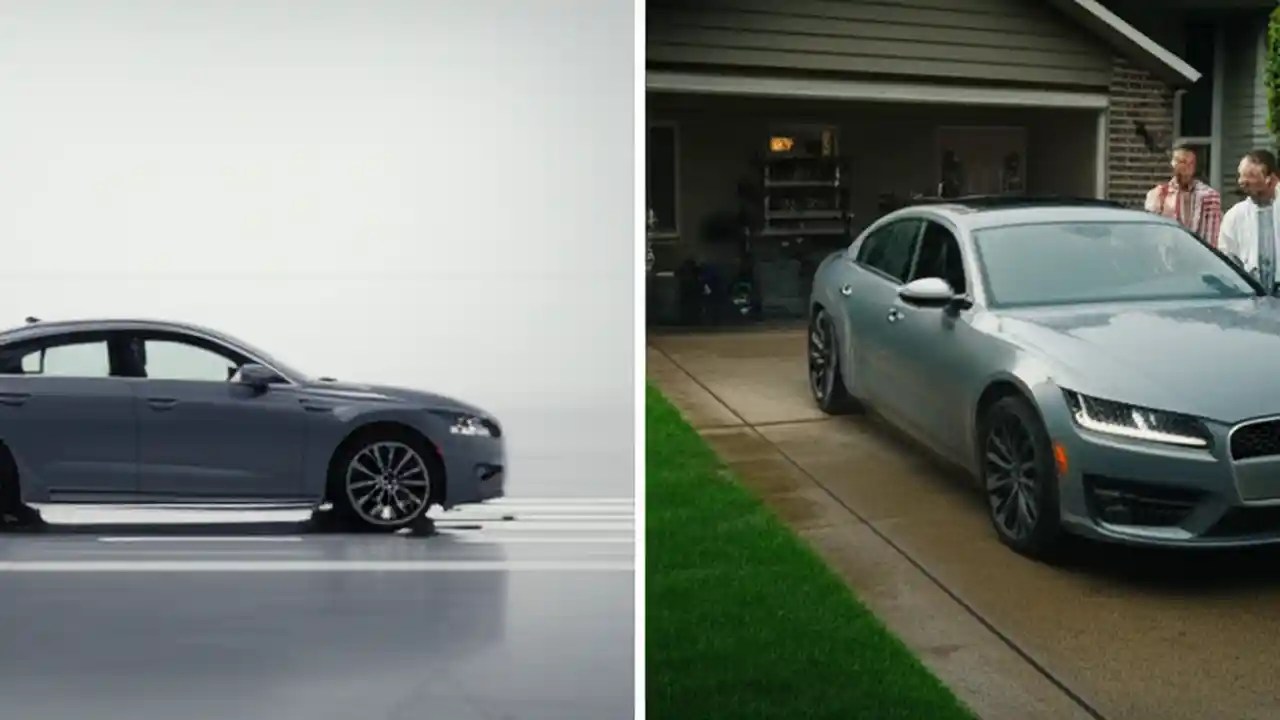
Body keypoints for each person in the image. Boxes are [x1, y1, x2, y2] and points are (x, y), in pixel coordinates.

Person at [1219, 149, 1280, 294]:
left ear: (1270, 180)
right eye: (1241, 176)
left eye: (1251, 176)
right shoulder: (1234, 216)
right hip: (1251, 296)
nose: (1242, 182)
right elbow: (1227, 258)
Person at [1144, 145, 1222, 247]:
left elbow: (1212, 236)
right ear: (1173, 164)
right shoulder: (1158, 195)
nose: (1187, 168)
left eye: (1191, 164)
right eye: (1183, 162)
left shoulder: (1209, 196)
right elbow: (1151, 231)